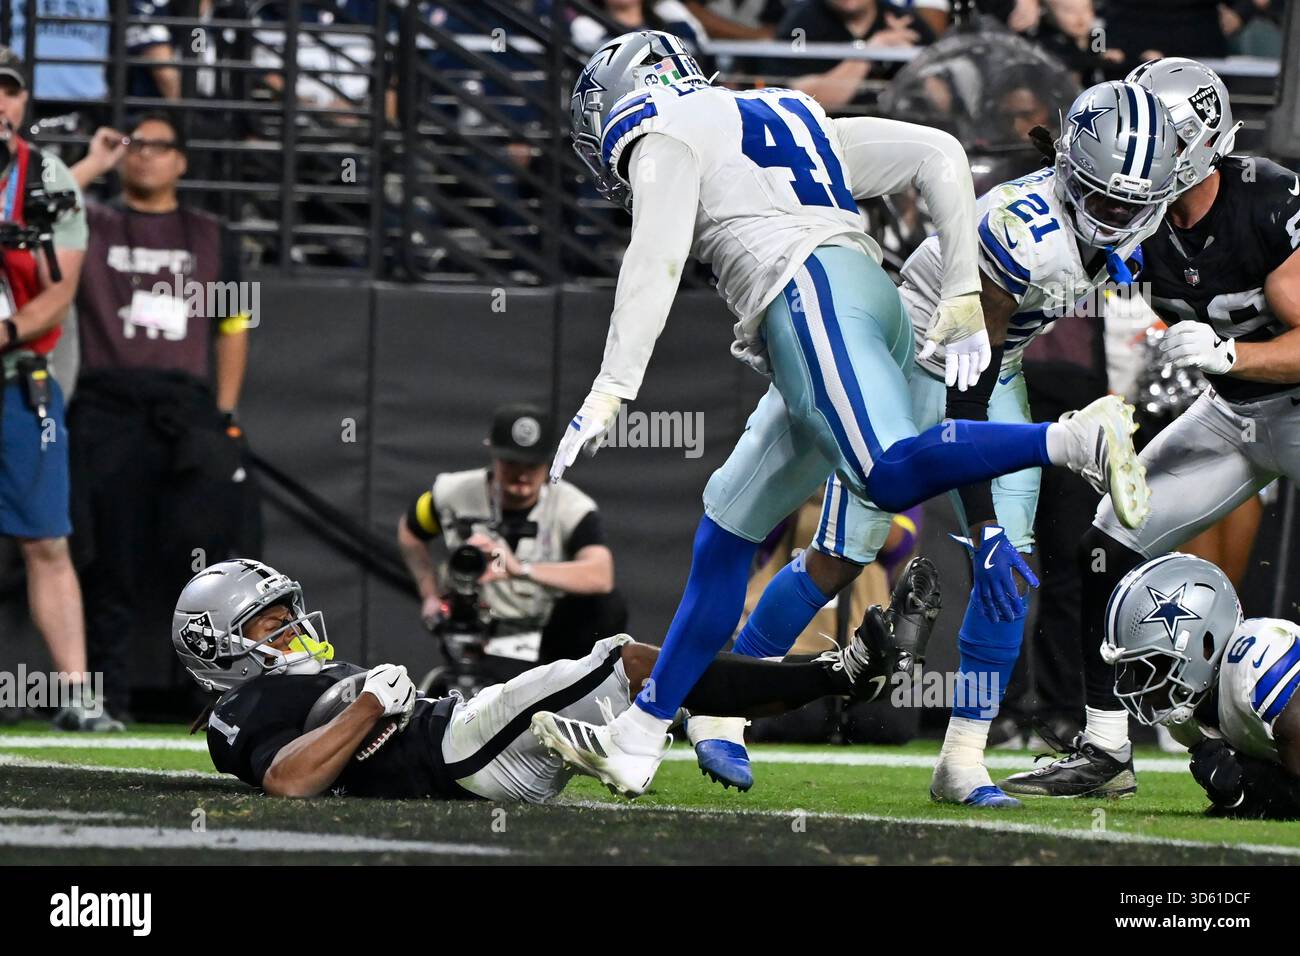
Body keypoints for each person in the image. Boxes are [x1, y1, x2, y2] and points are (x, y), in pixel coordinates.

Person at [543, 31, 1151, 799]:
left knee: (891, 480)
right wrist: (964, 287)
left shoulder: (664, 133)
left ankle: (1071, 438)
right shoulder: (781, 109)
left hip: (816, 299)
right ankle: (646, 730)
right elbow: (938, 152)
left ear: (623, 97)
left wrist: (613, 385)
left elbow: (655, 258)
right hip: (851, 302)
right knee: (726, 527)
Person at [692, 80, 1177, 802]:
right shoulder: (1022, 232)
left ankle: (963, 759)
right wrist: (976, 522)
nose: (1119, 219)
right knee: (840, 556)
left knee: (1009, 573)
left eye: (1133, 206)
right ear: (1074, 179)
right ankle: (727, 704)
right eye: (1106, 201)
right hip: (910, 360)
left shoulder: (1125, 215)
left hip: (997, 364)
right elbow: (964, 396)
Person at [1000, 58, 1300, 799]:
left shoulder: (1268, 201)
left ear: (1194, 144)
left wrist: (1232, 350)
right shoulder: (1136, 214)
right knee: (1105, 545)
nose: (1133, 156)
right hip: (1232, 414)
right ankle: (1107, 749)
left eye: (1151, 136)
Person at [176, 557, 932, 802]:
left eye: (286, 615)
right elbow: (287, 781)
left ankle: (838, 674)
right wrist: (370, 702)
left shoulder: (282, 682)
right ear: (216, 647)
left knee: (639, 675)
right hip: (447, 755)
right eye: (267, 625)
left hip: (462, 736)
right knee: (623, 661)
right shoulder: (237, 711)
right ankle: (838, 675)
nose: (290, 631)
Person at [66, 114, 253, 720]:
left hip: (187, 411)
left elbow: (233, 326)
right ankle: (106, 701)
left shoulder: (211, 234)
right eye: (134, 145)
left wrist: (223, 412)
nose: (145, 156)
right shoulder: (90, 220)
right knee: (109, 561)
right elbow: (31, 215)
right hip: (108, 405)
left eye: (159, 146)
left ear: (182, 161)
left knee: (203, 562)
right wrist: (91, 165)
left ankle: (208, 703)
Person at [0, 48, 112, 730]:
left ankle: (77, 695)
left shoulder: (48, 178)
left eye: (7, 92)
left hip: (16, 373)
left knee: (46, 539)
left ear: (21, 103)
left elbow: (56, 299)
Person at [396, 403, 625, 664]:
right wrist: (430, 594)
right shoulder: (452, 493)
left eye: (532, 465)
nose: (522, 475)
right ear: (492, 451)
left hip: (546, 634)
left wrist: (520, 569)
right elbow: (410, 531)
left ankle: (584, 684)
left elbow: (601, 574)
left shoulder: (573, 508)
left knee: (607, 606)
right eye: (512, 462)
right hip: (483, 633)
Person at [1099, 552, 1300, 820]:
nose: (1142, 688)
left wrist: (1253, 790)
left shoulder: (1263, 668)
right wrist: (1240, 791)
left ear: (1206, 645)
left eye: (1153, 665)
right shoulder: (1186, 715)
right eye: (1136, 670)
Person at [759, 0, 936, 110]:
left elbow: (944, 101)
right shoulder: (800, 22)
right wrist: (870, 52)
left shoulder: (904, 22)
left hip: (898, 138)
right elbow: (801, 103)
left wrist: (915, 64)